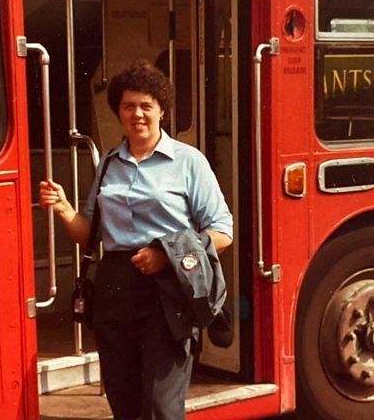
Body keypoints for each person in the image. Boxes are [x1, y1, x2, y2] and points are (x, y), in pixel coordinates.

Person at [39, 60, 233, 420]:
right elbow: (90, 234)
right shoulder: (110, 163)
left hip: (169, 291)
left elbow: (222, 231)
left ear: (162, 109)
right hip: (115, 291)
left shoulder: (189, 162)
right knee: (123, 402)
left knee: (161, 405)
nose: (138, 114)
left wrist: (166, 255)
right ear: (118, 112)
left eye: (147, 105)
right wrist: (65, 209)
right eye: (129, 106)